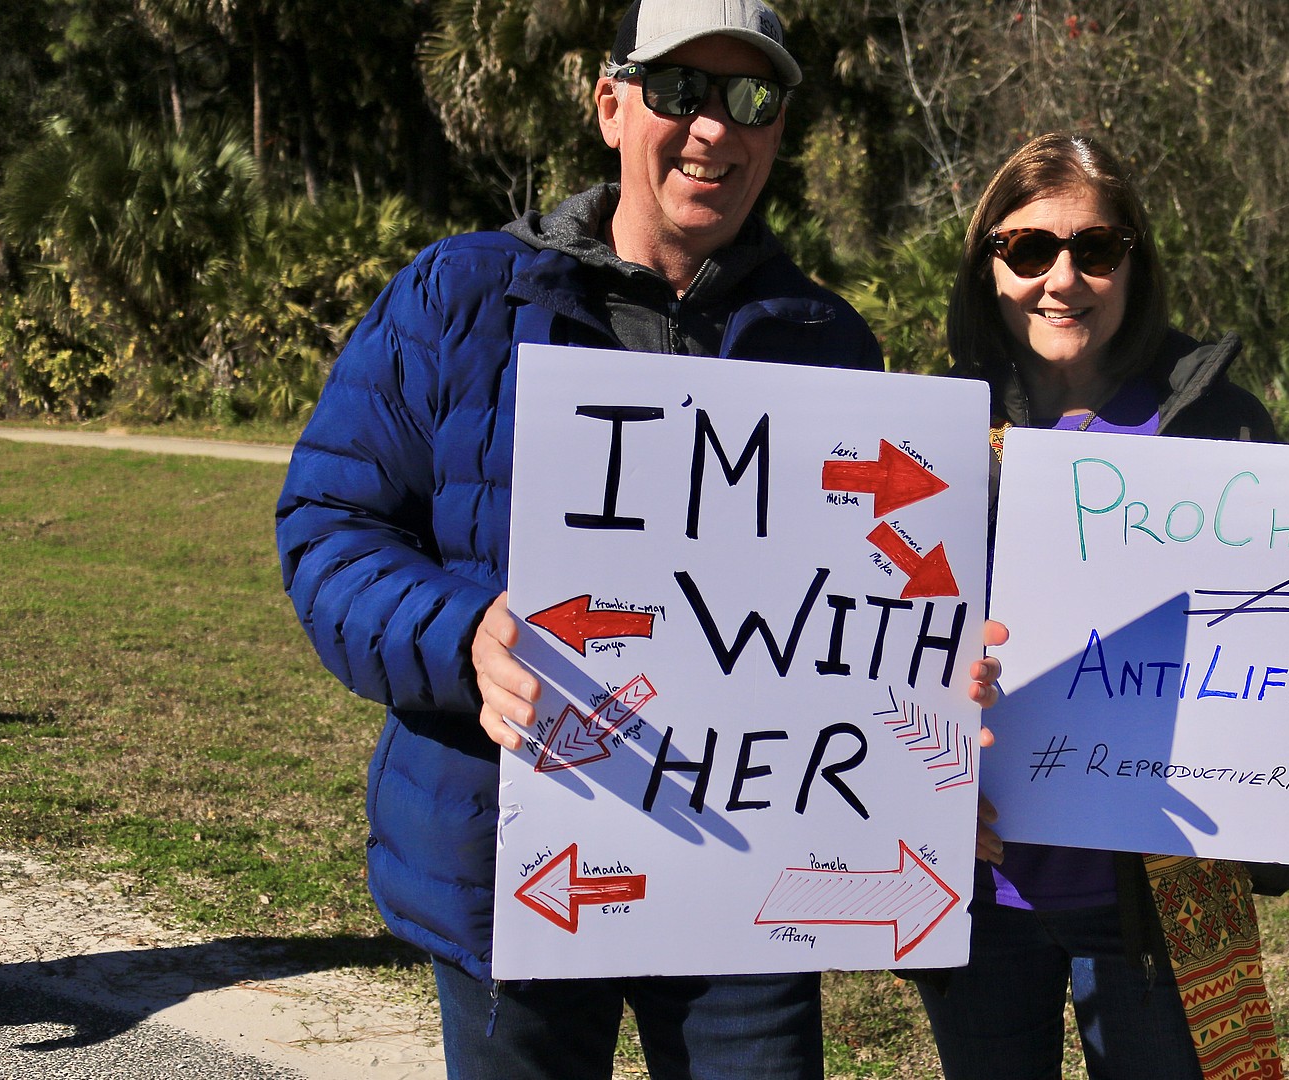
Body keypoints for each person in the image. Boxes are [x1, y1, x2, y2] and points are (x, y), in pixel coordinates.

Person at [276, 2, 1002, 1077]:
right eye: (680, 90)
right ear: (611, 106)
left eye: (750, 98)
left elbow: (876, 597)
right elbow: (330, 530)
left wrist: (940, 668)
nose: (714, 128)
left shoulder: (827, 341)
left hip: (747, 876)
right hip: (516, 864)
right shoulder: (458, 297)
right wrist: (465, 633)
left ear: (777, 132)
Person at [922, 132, 1289, 1080]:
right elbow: (864, 649)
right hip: (978, 891)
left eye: (1096, 249)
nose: (1064, 278)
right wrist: (918, 781)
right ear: (986, 264)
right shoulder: (928, 435)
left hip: (1174, 891)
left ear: (1135, 264)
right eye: (1030, 248)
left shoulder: (1221, 425)